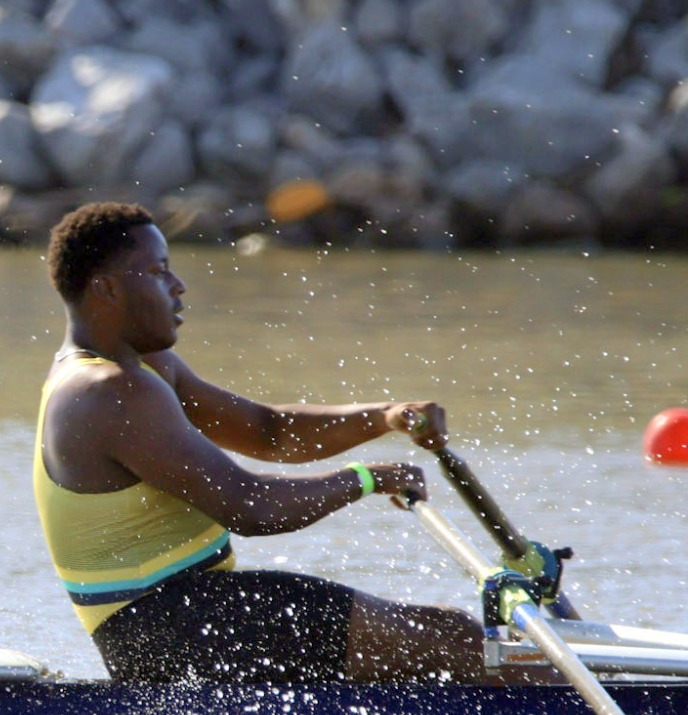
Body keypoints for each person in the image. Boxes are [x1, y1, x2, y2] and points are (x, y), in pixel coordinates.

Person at [33, 201, 521, 686]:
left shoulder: (142, 369)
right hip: (168, 630)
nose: (178, 286)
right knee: (455, 640)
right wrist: (367, 479)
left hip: (194, 615)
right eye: (159, 272)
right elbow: (250, 507)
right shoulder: (110, 392)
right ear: (106, 288)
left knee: (443, 634)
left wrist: (385, 417)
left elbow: (270, 432)